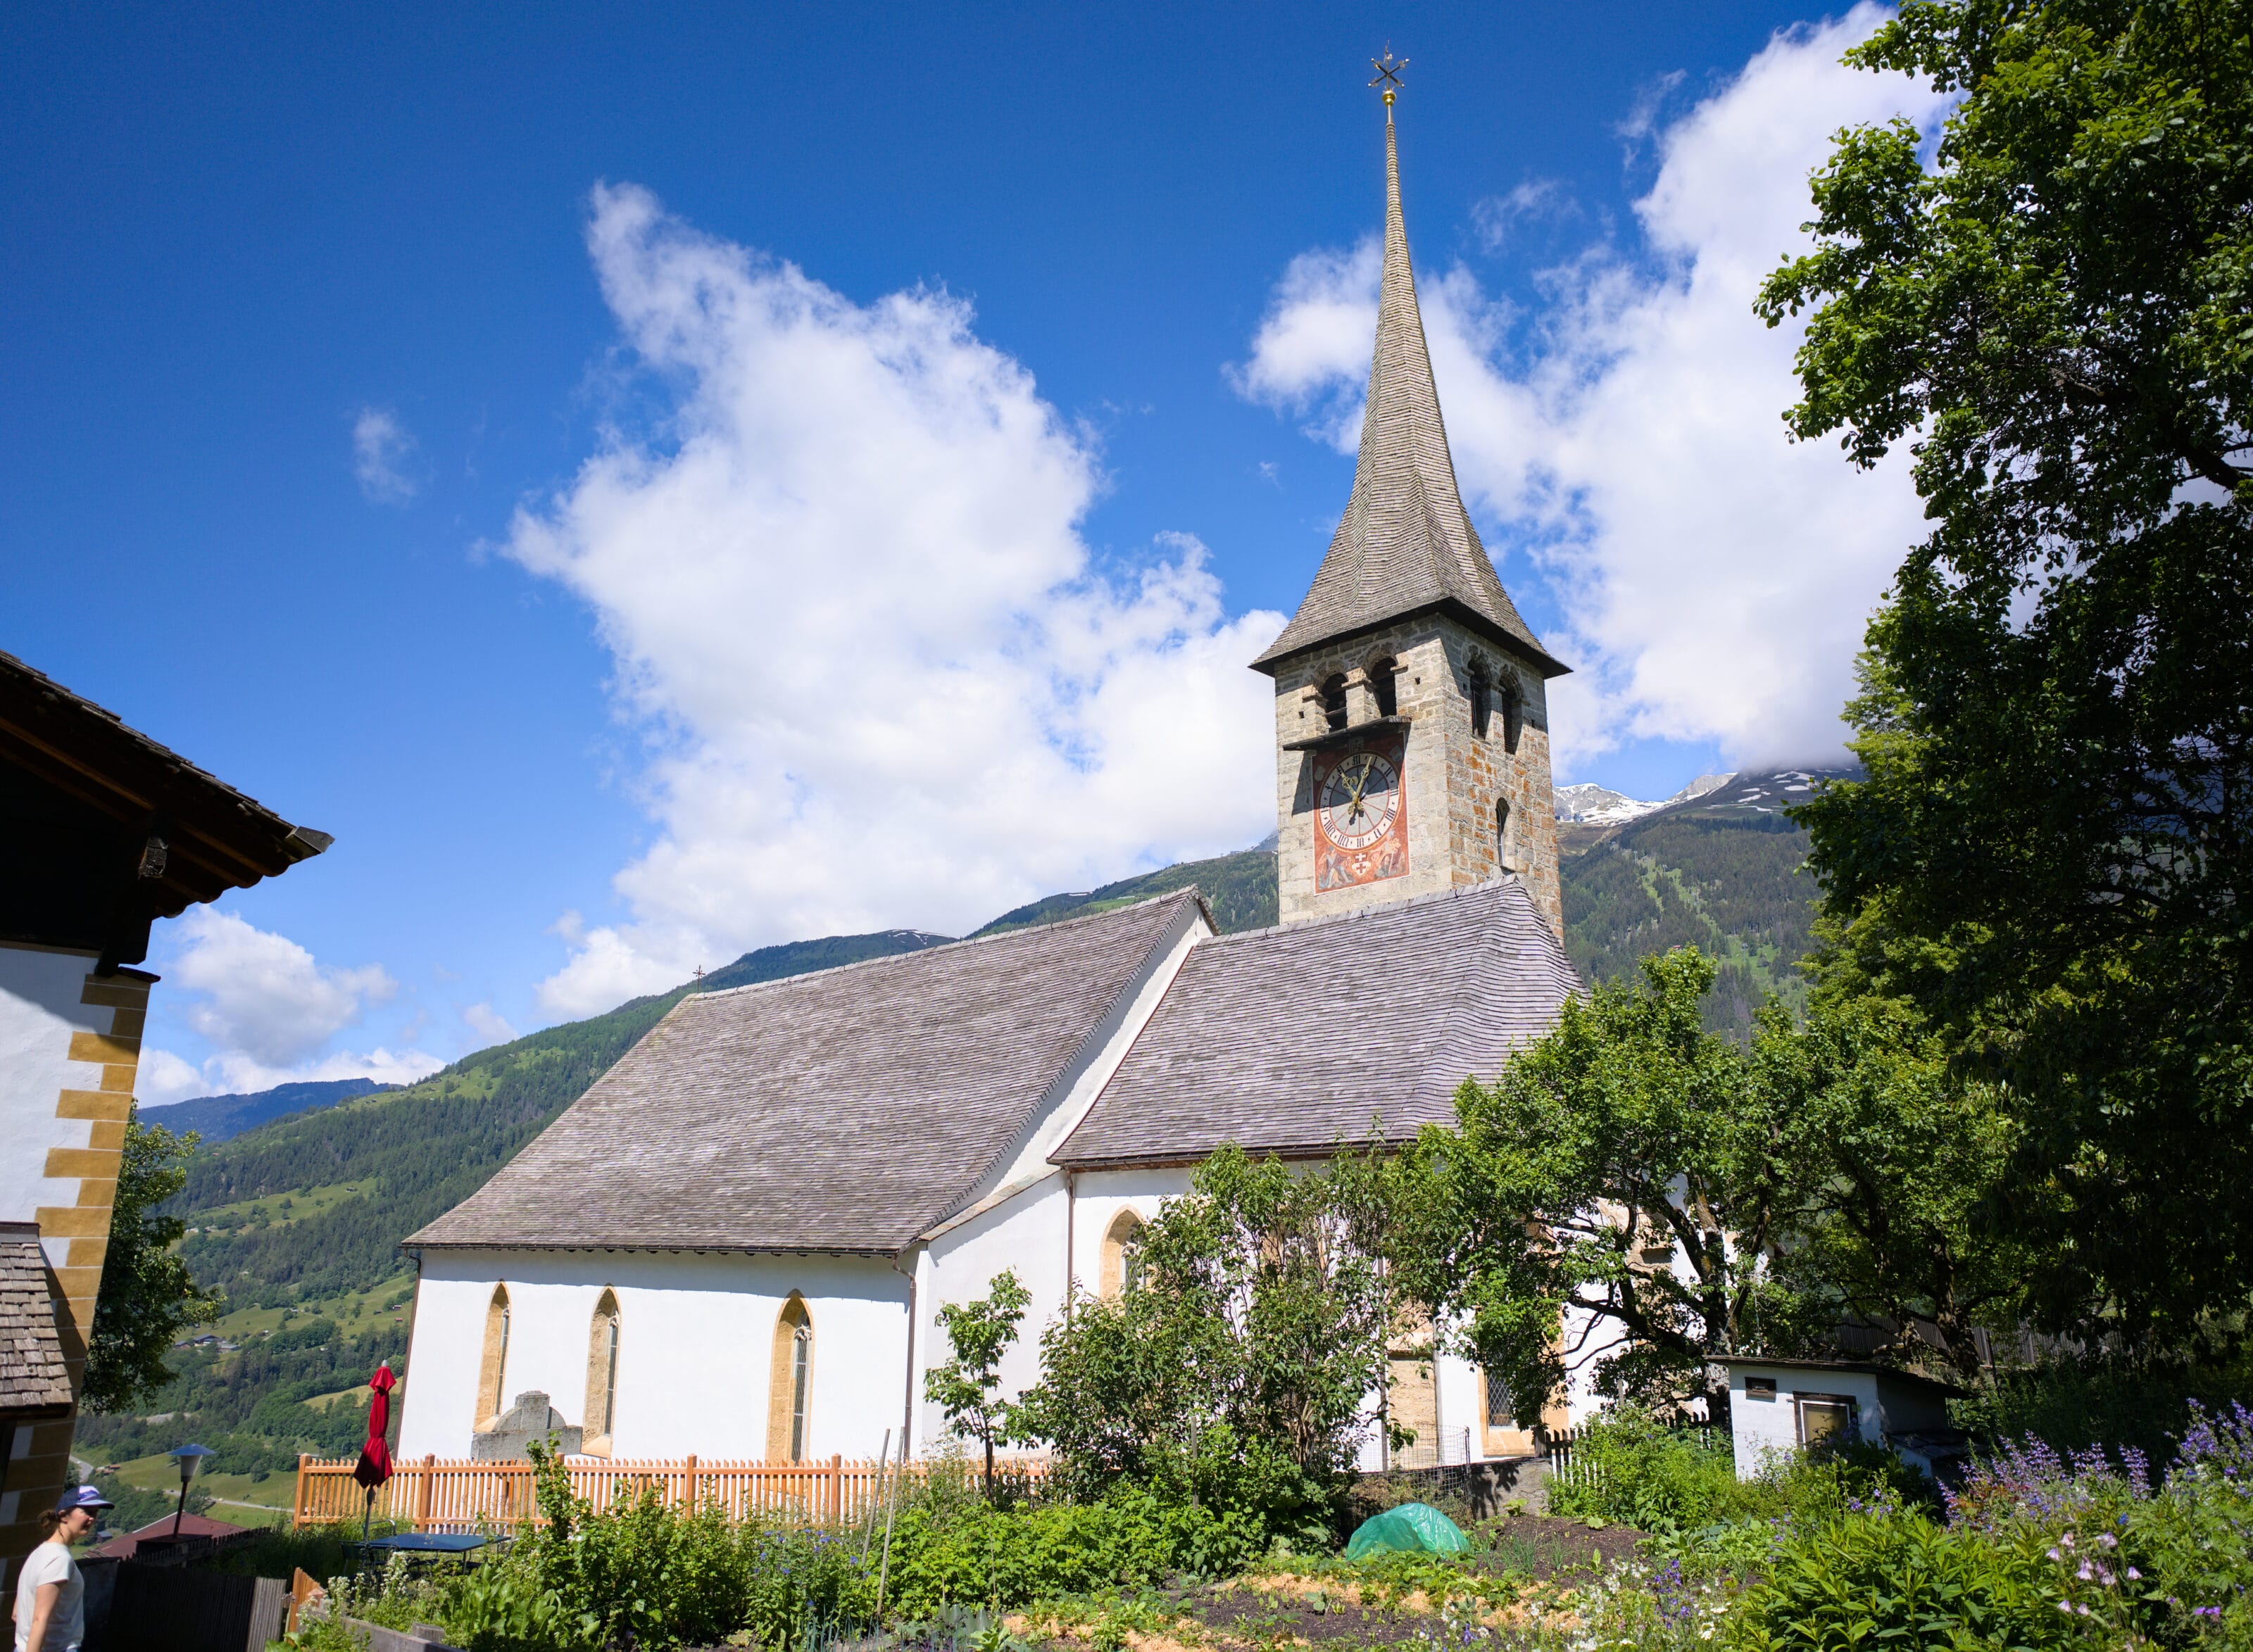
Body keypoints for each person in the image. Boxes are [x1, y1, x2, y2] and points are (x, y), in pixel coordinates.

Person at [12, 1486, 109, 1652]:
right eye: (86, 1511)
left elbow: (16, 1614)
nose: (92, 1518)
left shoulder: (38, 1553)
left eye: (95, 1512)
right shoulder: (60, 1559)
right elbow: (39, 1619)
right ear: (64, 1516)